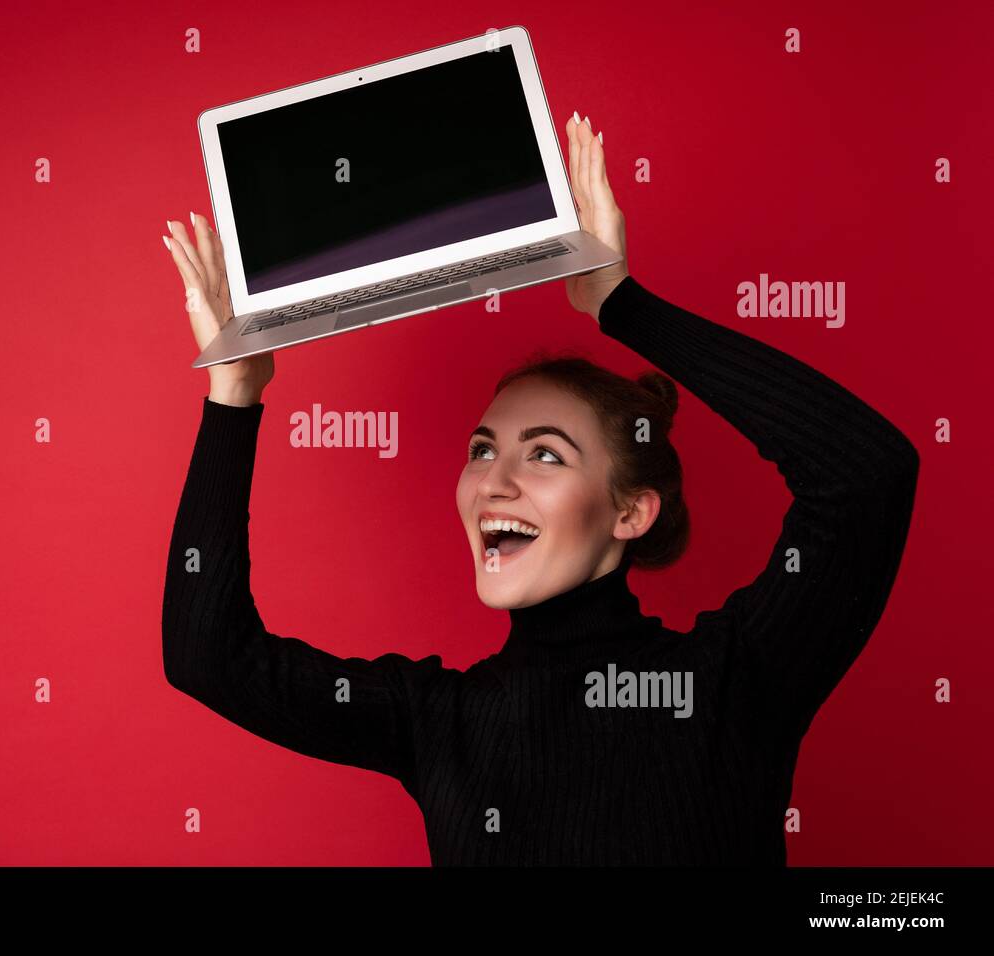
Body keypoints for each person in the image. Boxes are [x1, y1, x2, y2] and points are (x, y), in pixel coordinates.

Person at [160, 112, 921, 865]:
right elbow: (208, 657)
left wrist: (620, 304)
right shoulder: (438, 721)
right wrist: (235, 393)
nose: (494, 480)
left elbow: (866, 474)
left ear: (631, 510)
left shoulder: (734, 680)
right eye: (483, 449)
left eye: (546, 456)